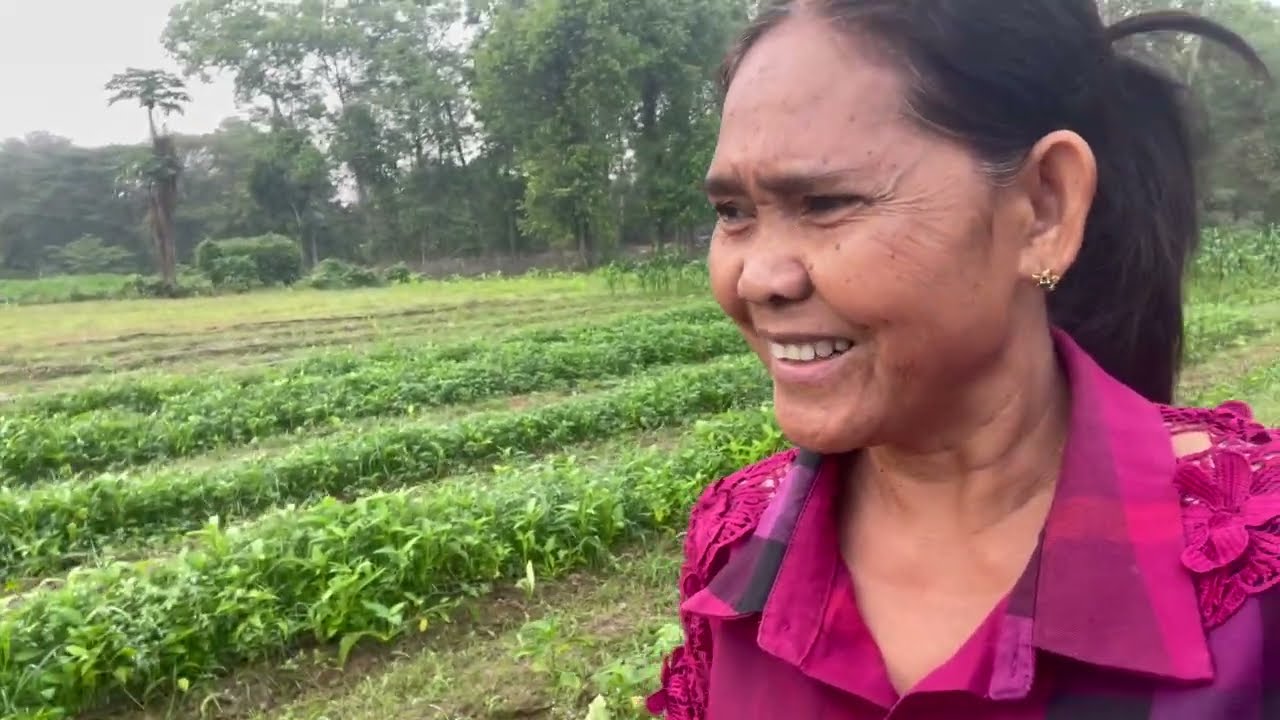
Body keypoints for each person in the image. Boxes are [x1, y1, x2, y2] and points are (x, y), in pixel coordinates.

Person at [646, 1, 1280, 718]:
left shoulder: (1259, 572)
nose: (759, 277)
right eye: (733, 212)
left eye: (825, 202)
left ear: (1044, 208)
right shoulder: (736, 541)